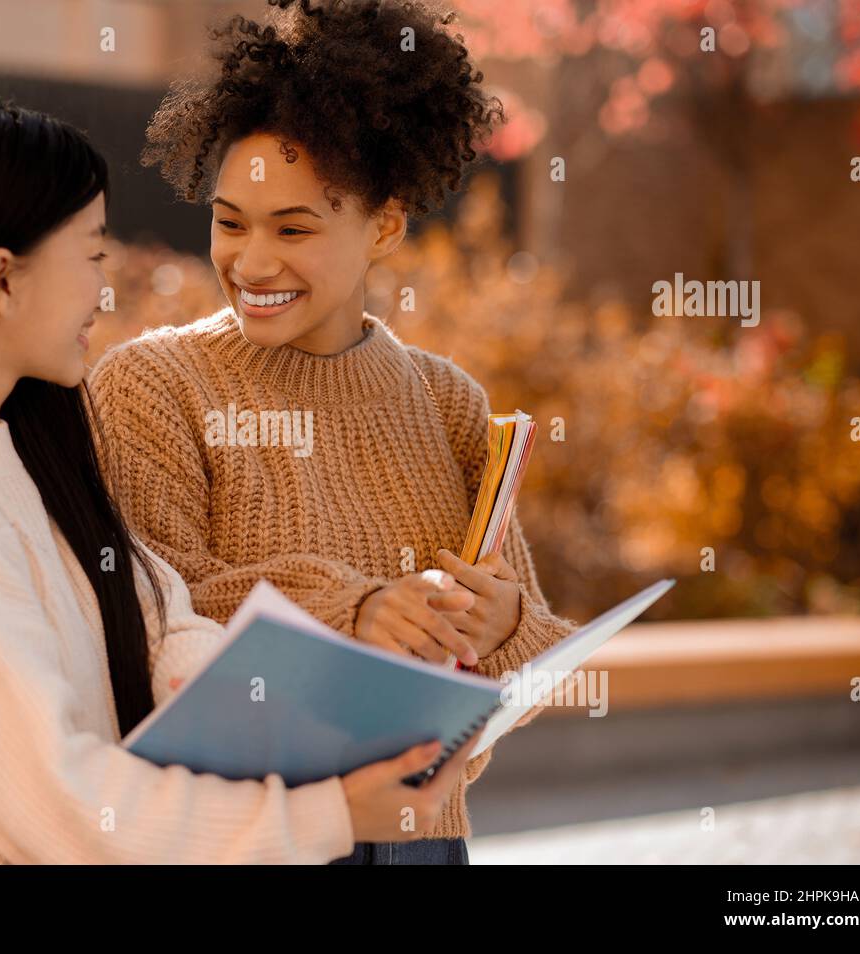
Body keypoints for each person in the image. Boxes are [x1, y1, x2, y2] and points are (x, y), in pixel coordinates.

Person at [0, 91, 477, 865]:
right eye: (92, 254)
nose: (106, 288)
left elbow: (166, 633)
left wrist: (361, 717)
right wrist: (326, 815)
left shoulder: (24, 448)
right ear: (2, 279)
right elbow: (64, 801)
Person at [91, 0, 576, 864]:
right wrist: (353, 610)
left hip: (426, 840)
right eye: (230, 221)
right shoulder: (152, 386)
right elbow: (157, 619)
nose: (252, 262)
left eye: (294, 228)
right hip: (253, 840)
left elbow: (524, 655)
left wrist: (503, 627)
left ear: (384, 227)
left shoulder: (449, 403)